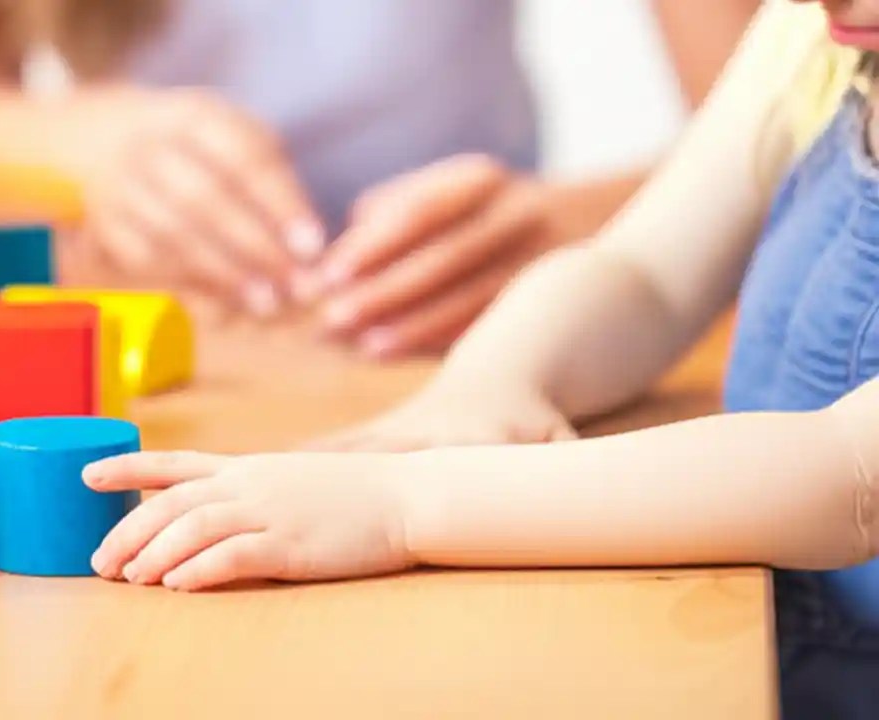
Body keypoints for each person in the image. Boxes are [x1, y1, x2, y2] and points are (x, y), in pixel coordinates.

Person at [80, 1, 879, 715]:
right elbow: (646, 276)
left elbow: (847, 477)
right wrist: (490, 381)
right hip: (758, 653)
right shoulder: (812, 40)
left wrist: (400, 505)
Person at [0, 0, 758, 357]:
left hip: (468, 344)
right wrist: (84, 147)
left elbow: (787, 121)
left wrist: (595, 234)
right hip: (172, 353)